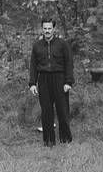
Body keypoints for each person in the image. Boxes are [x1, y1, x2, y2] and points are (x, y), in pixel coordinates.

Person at [29, 16, 74, 146]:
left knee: (62, 111)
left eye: (49, 28)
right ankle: (49, 141)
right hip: (43, 80)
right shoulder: (37, 46)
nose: (47, 31)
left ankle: (65, 139)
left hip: (60, 80)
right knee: (46, 112)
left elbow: (69, 63)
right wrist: (32, 83)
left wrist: (68, 82)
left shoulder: (62, 44)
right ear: (41, 29)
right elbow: (33, 65)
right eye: (45, 28)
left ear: (54, 29)